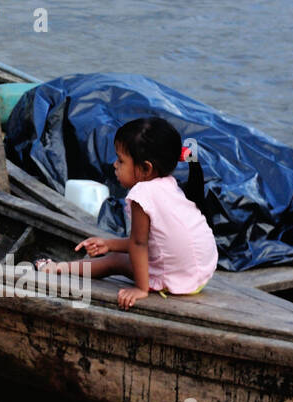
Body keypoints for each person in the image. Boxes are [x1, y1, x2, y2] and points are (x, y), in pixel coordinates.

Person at [36, 117, 218, 310]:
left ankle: (58, 269)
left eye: (121, 160)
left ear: (146, 168)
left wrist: (141, 289)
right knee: (117, 255)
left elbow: (139, 244)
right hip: (200, 275)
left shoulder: (142, 195)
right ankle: (59, 268)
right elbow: (149, 242)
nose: (115, 165)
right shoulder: (168, 184)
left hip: (176, 280)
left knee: (115, 262)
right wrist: (109, 244)